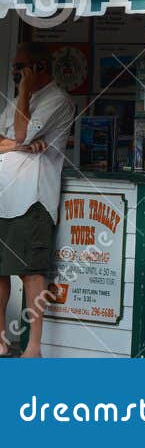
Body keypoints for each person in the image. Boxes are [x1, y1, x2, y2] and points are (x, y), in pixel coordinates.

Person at [0, 43, 74, 357]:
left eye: (20, 67)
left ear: (39, 66)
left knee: (32, 271)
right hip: (5, 195)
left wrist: (24, 94)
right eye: (15, 68)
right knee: (1, 271)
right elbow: (12, 140)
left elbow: (19, 134)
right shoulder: (20, 100)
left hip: (34, 199)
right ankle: (1, 341)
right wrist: (20, 145)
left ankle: (33, 346)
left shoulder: (57, 100)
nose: (15, 72)